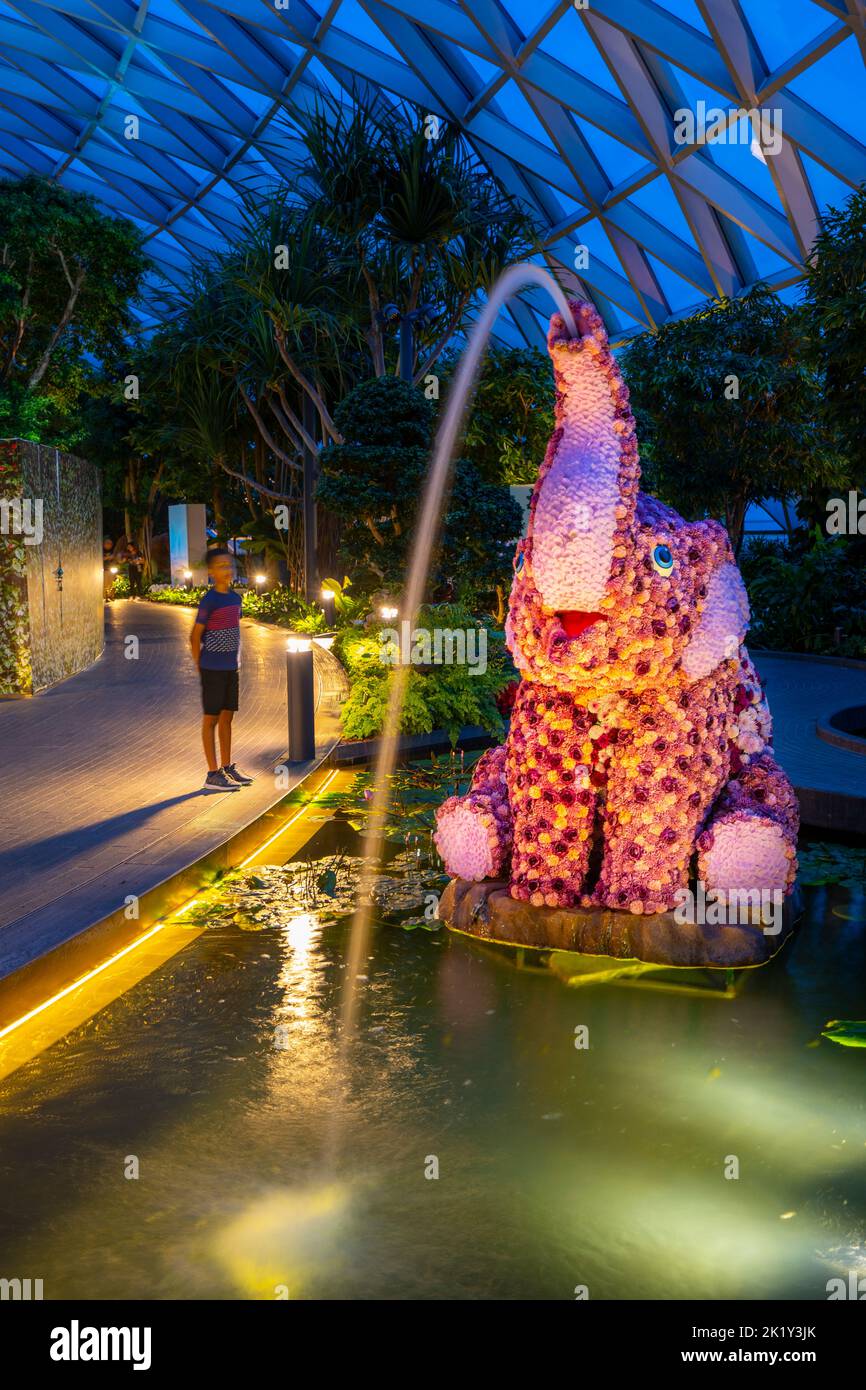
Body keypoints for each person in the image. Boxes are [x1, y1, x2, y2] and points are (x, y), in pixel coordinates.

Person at [190, 549, 254, 793]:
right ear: (211, 571)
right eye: (220, 565)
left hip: (230, 667)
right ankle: (212, 773)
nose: (226, 569)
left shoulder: (236, 599)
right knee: (211, 720)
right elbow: (195, 636)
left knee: (228, 717)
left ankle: (227, 767)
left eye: (229, 565)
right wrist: (200, 666)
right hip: (212, 668)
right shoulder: (210, 601)